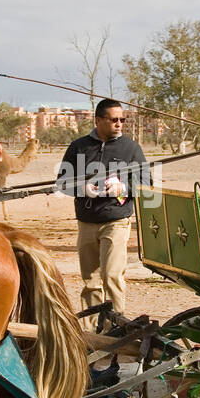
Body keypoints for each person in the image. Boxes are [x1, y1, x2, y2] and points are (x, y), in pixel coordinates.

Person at [55, 99, 150, 314]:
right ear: (98, 120)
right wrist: (83, 188)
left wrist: (122, 187)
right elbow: (62, 182)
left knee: (112, 276)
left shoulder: (131, 148)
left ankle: (117, 328)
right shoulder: (79, 146)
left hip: (116, 221)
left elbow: (146, 181)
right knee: (91, 281)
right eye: (114, 119)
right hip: (86, 223)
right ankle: (91, 334)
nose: (119, 124)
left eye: (122, 120)